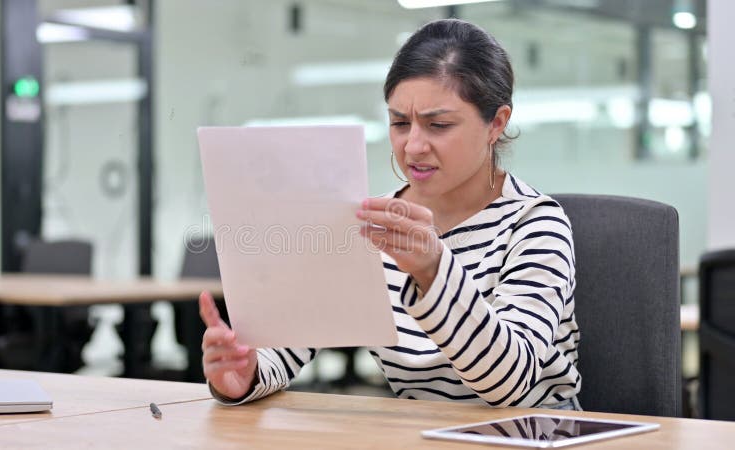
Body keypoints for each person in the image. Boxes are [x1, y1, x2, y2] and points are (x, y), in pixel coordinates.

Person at [198, 18, 581, 410]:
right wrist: (244, 372)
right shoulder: (371, 224)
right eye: (399, 122)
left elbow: (509, 385)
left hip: (535, 434)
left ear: (496, 124)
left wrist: (434, 272)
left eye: (439, 125)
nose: (413, 145)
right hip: (421, 434)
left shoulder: (534, 225)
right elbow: (291, 341)